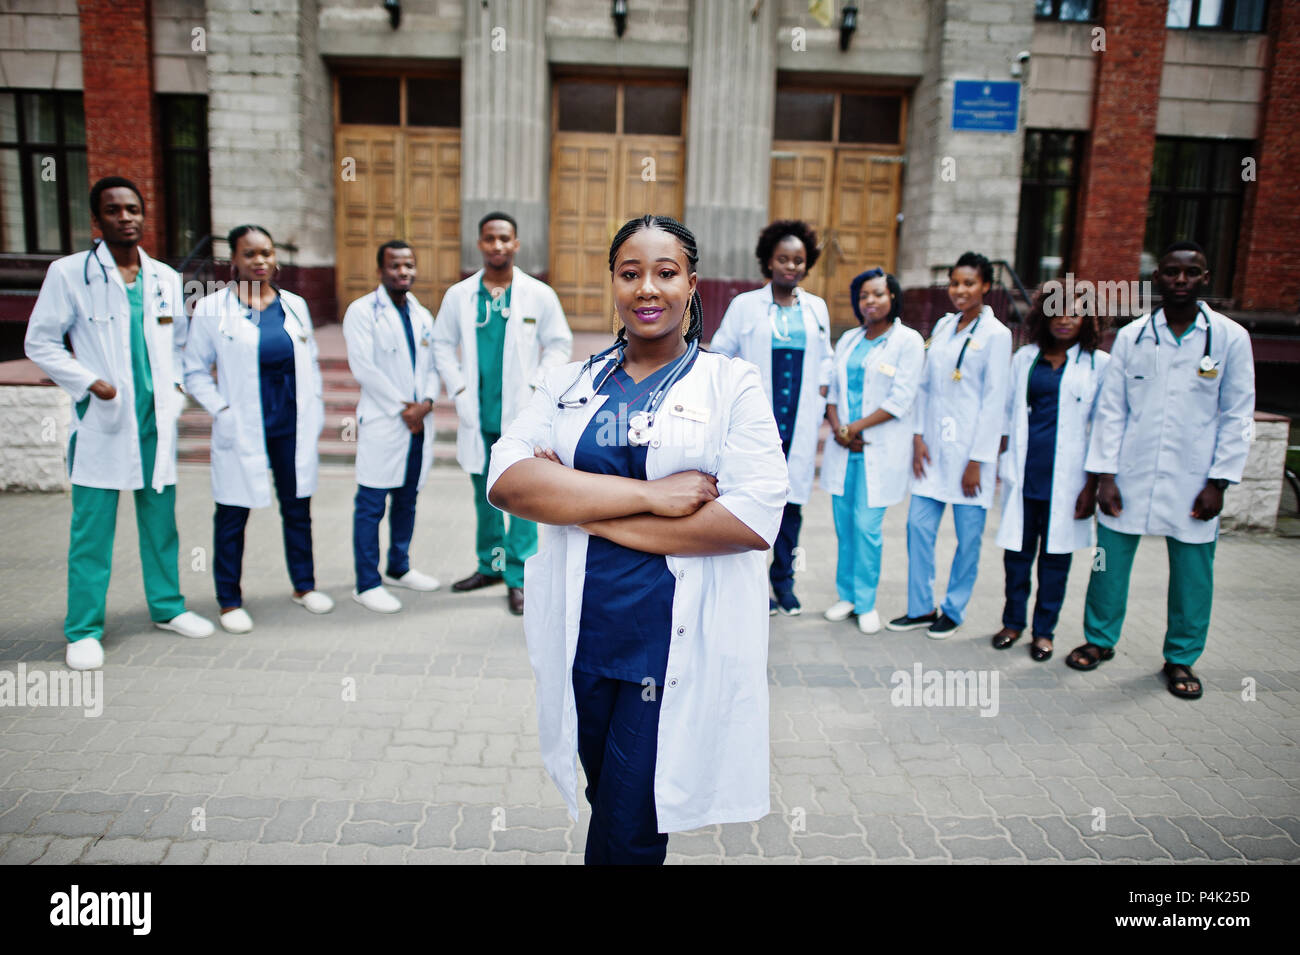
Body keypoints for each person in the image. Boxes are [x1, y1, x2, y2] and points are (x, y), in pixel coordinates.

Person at [486, 215, 787, 865]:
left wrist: (576, 500)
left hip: (666, 649)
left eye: (665, 272)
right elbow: (509, 481)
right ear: (614, 284)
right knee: (611, 798)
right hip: (585, 638)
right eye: (630, 273)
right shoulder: (569, 381)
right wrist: (653, 497)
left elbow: (751, 517)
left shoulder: (730, 384)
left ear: (692, 284)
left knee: (628, 824)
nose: (647, 288)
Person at [24, 176, 214, 669]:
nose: (125, 217)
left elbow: (177, 345)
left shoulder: (165, 278)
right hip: (103, 423)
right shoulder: (69, 274)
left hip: (155, 422)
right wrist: (90, 383)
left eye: (133, 209)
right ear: (97, 220)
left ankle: (168, 607)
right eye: (114, 210)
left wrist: (174, 393)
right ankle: (84, 629)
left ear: (143, 216)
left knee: (160, 524)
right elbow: (40, 342)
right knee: (92, 531)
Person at [1067, 241, 1255, 699]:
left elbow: (1238, 415)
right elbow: (1111, 411)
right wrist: (1105, 475)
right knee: (1107, 563)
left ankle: (1181, 657)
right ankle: (1099, 640)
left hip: (1194, 479)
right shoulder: (1133, 337)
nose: (1180, 281)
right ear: (1157, 279)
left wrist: (1219, 482)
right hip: (1128, 474)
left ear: (1205, 278)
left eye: (1191, 273)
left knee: (1193, 572)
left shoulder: (1230, 338)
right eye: (1171, 273)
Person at [183, 225, 333, 633]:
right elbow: (194, 371)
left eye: (266, 253)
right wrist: (222, 409)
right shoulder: (213, 309)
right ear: (233, 260)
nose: (260, 261)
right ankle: (229, 600)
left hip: (290, 424)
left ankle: (304, 586)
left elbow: (311, 363)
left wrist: (315, 407)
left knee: (297, 508)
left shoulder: (296, 305)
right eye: (249, 254)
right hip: (243, 426)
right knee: (233, 513)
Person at [432, 212, 572, 615]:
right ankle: (489, 565)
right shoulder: (460, 295)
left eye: (504, 239)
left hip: (521, 413)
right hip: (477, 411)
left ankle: (519, 577)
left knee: (523, 498)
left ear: (516, 244)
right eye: (490, 238)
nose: (497, 245)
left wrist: (537, 384)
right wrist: (457, 386)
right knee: (484, 495)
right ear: (480, 243)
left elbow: (559, 343)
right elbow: (441, 344)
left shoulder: (538, 294)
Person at [710, 219, 832, 616]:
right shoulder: (745, 305)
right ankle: (752, 587)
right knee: (751, 504)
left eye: (798, 260)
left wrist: (825, 400)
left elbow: (826, 362)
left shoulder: (816, 309)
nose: (791, 266)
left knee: (791, 508)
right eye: (783, 259)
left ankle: (784, 583)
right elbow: (722, 355)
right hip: (756, 422)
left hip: (798, 419)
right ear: (768, 261)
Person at [887, 251, 1012, 638]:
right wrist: (919, 436)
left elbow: (996, 401)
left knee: (968, 538)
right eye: (955, 283)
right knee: (918, 527)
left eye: (969, 283)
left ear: (986, 287)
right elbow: (924, 387)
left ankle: (954, 609)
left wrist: (978, 460)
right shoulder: (942, 327)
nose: (960, 290)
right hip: (934, 450)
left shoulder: (997, 335)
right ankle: (922, 606)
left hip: (971, 455)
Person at [992, 289, 1110, 661]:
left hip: (1069, 483)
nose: (1064, 319)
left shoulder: (1098, 364)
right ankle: (1013, 623)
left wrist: (1091, 486)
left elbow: (1104, 428)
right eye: (1056, 312)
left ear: (1086, 319)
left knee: (1056, 561)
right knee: (1017, 559)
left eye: (1074, 313)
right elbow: (1007, 415)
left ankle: (1044, 632)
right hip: (1024, 477)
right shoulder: (1025, 358)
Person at [821, 268, 925, 634]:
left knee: (867, 528)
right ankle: (846, 596)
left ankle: (866, 602)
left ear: (892, 297)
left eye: (878, 294)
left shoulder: (908, 341)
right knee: (844, 526)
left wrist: (854, 429)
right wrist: (838, 428)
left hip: (876, 450)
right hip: (844, 449)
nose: (871, 301)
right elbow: (832, 391)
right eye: (864, 295)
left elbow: (901, 399)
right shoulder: (849, 339)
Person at [342, 240, 442, 613]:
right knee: (371, 504)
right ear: (381, 270)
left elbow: (431, 366)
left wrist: (427, 403)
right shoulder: (362, 311)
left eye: (409, 265)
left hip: (418, 422)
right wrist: (405, 409)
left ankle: (398, 567)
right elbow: (364, 367)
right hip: (386, 421)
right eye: (395, 265)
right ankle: (366, 583)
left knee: (407, 498)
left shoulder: (422, 314)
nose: (403, 272)